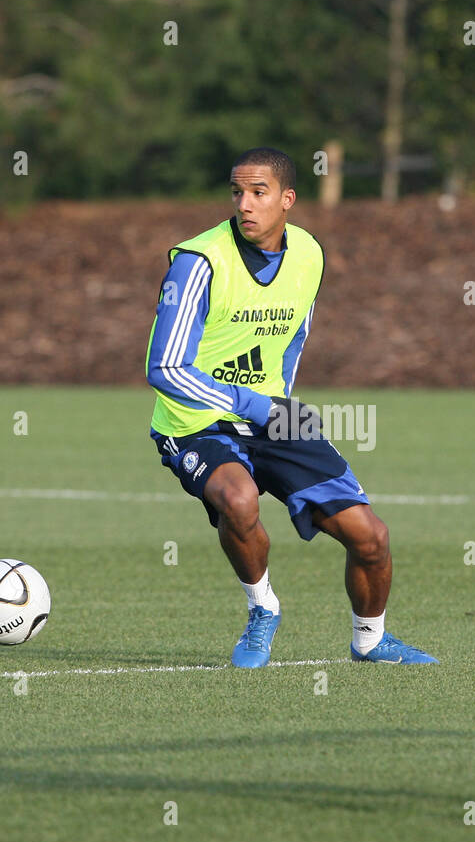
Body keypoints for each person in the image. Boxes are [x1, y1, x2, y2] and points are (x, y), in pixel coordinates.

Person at [145, 147, 437, 668]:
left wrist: (281, 404)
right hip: (194, 421)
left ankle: (370, 641)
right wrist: (255, 405)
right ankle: (263, 609)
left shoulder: (309, 253)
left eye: (259, 193)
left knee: (371, 538)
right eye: (237, 192)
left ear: (288, 200)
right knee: (238, 500)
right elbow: (164, 368)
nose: (245, 204)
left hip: (271, 415)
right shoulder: (197, 263)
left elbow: (295, 333)